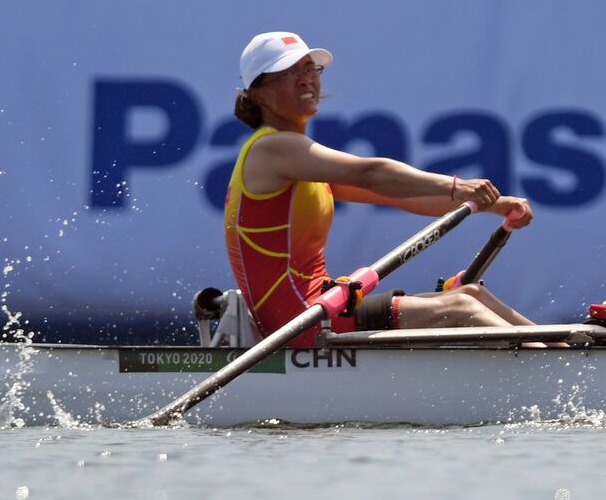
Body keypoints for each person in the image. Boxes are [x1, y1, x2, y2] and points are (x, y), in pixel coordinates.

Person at [226, 31, 541, 346]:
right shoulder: (272, 149)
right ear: (258, 94)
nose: (305, 79)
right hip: (299, 324)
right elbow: (372, 173)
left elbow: (401, 195)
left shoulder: (300, 164)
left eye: (310, 69)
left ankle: (563, 353)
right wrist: (457, 185)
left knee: (471, 293)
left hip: (323, 305)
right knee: (460, 307)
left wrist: (494, 205)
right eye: (289, 72)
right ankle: (558, 381)